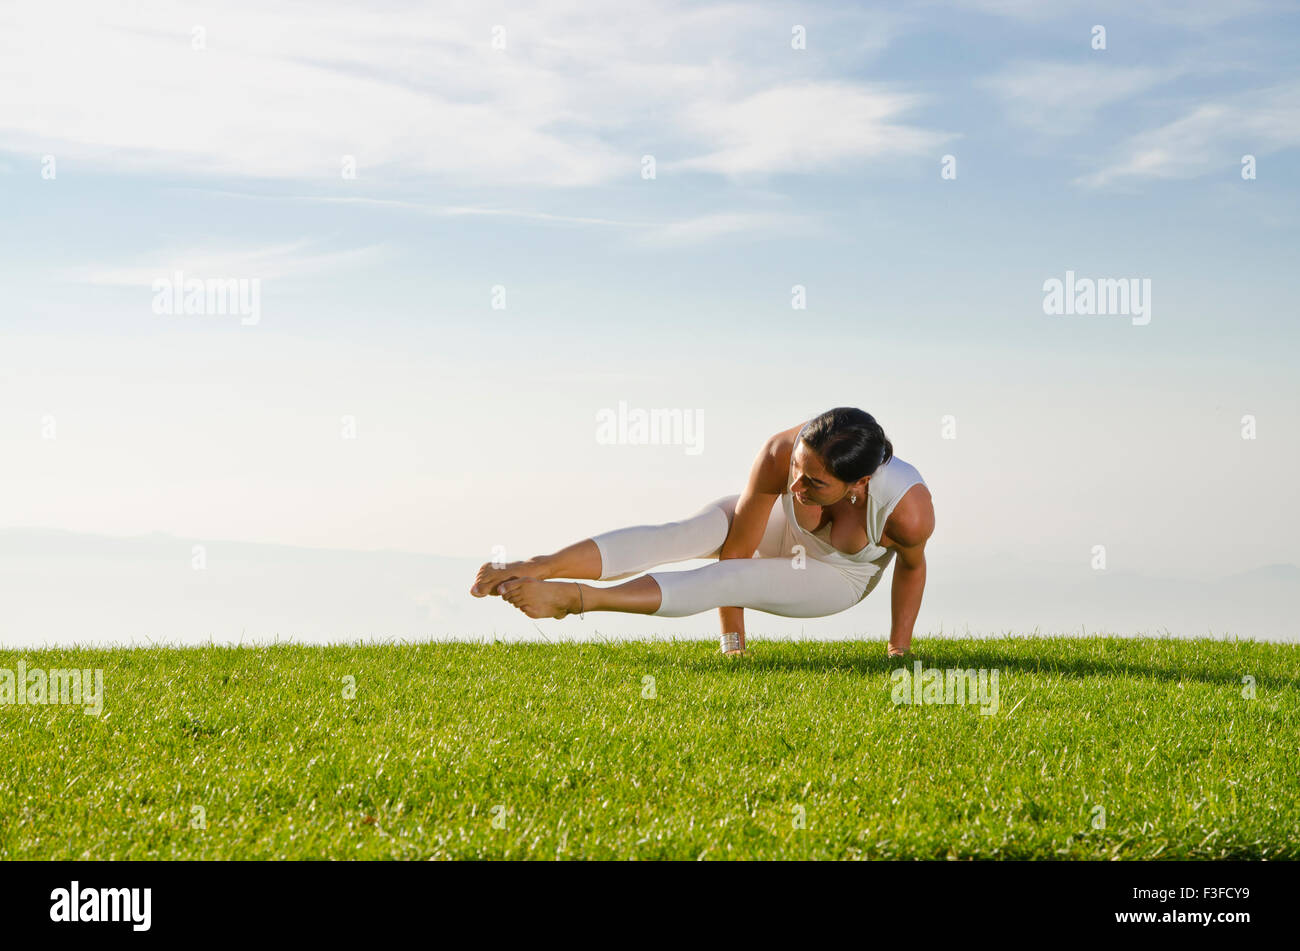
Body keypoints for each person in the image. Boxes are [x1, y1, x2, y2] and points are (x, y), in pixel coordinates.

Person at [470, 407, 934, 657]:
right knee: (687, 532)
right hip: (785, 533)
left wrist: (899, 648)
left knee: (732, 579)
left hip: (837, 575)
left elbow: (911, 570)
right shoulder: (781, 452)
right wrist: (734, 641)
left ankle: (574, 600)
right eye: (797, 469)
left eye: (814, 483)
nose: (795, 486)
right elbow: (735, 552)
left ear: (859, 484)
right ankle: (536, 565)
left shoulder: (905, 512)